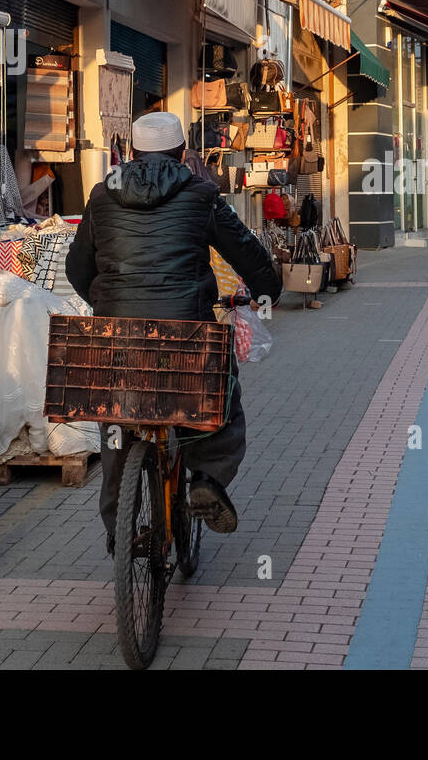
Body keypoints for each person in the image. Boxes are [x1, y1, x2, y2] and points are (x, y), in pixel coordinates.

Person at [66, 112, 283, 553]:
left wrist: (109, 301)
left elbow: (77, 269)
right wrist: (268, 289)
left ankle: (120, 528)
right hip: (186, 336)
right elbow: (246, 250)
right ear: (183, 154)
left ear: (130, 154)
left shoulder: (101, 196)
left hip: (120, 338)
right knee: (222, 392)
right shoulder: (201, 194)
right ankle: (207, 478)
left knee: (117, 422)